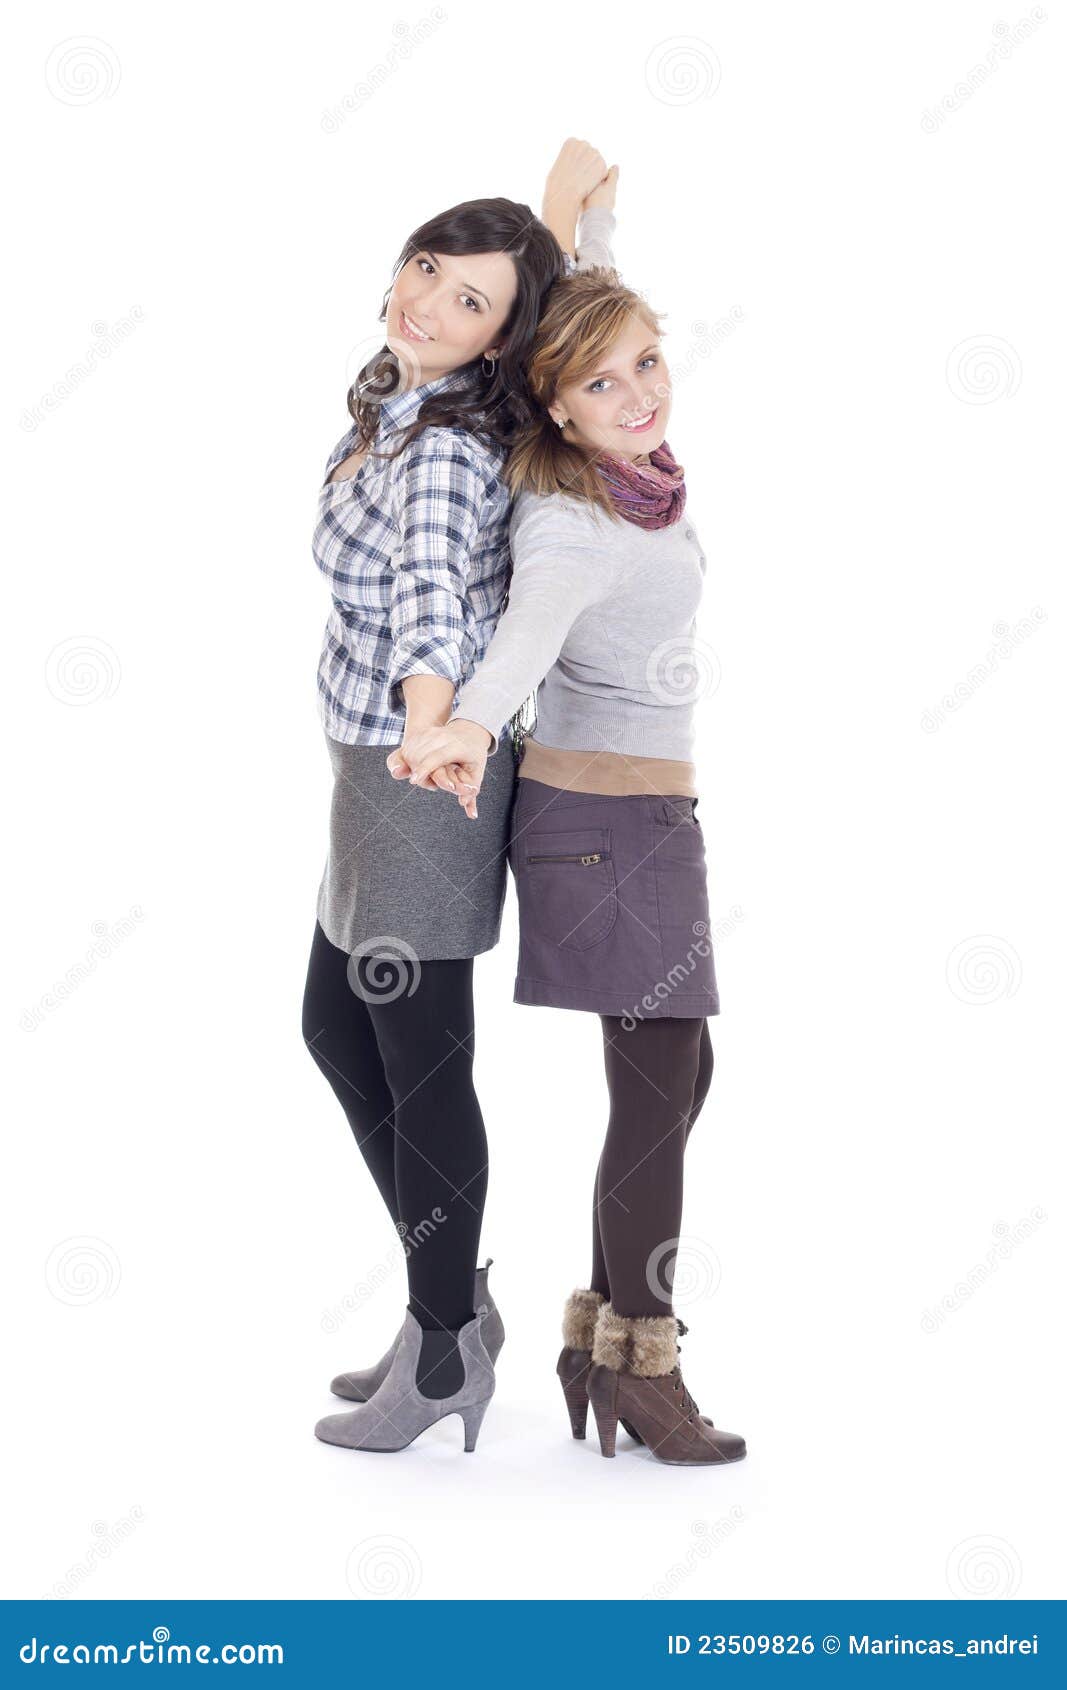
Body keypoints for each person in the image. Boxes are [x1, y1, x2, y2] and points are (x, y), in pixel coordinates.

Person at [396, 257, 748, 1466]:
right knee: (655, 1098)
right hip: (603, 827)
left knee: (679, 1081)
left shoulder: (633, 479)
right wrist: (461, 725)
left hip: (640, 815)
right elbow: (522, 638)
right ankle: (643, 1369)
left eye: (646, 361)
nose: (637, 393)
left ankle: (599, 1345)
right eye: (601, 383)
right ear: (554, 404)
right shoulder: (570, 524)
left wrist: (581, 217)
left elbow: (582, 298)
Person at [305, 142, 619, 1454]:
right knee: (337, 1026)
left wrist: (435, 723)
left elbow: (433, 594)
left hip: (418, 772)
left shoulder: (442, 450)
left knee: (416, 1057)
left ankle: (441, 1347)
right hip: (373, 770)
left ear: (500, 339)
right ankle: (454, 1304)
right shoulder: (409, 390)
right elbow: (538, 318)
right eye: (427, 266)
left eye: (468, 298)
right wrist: (563, 224)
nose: (426, 300)